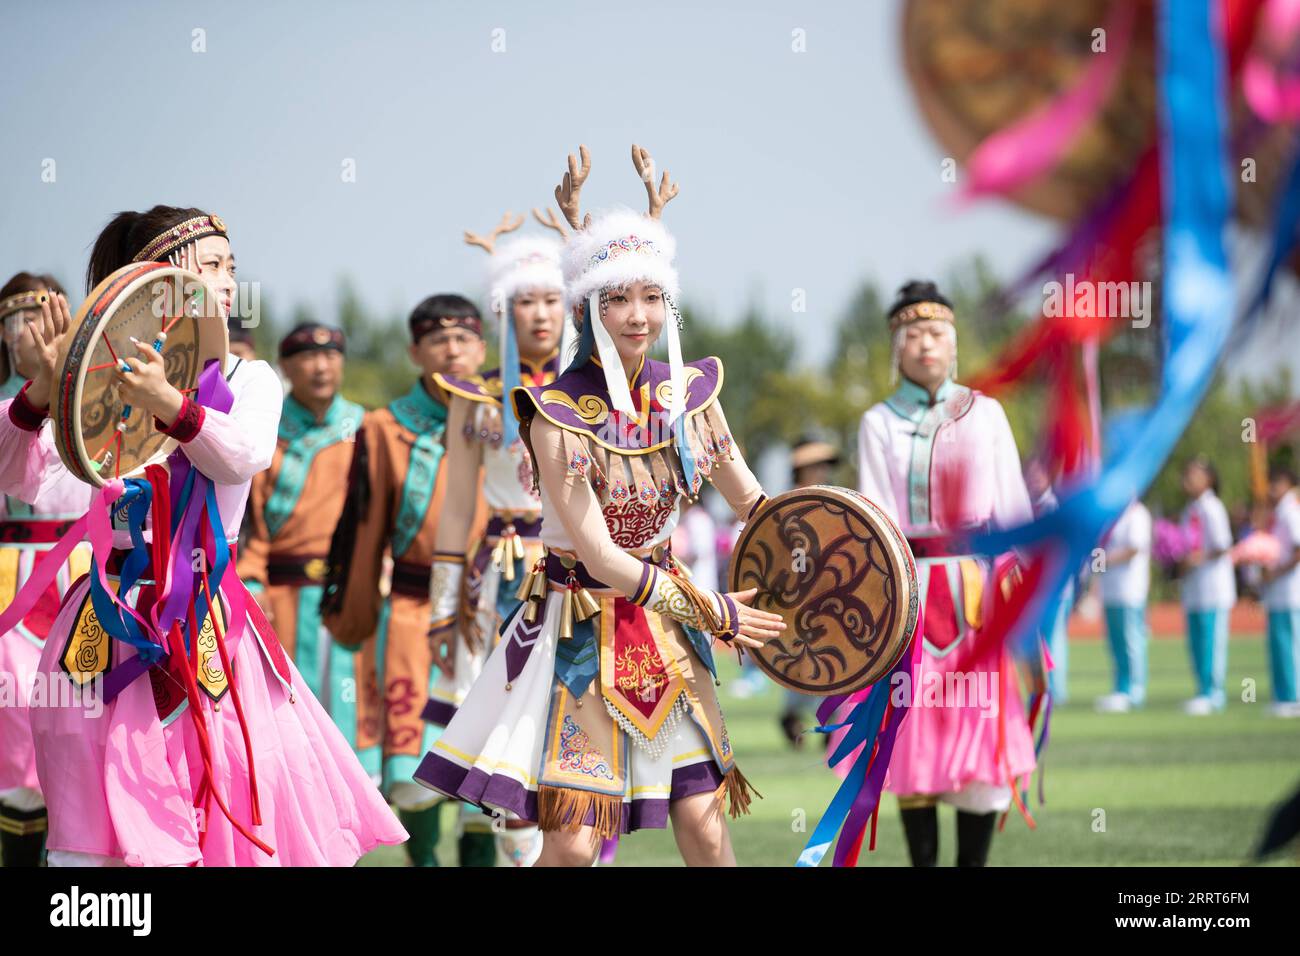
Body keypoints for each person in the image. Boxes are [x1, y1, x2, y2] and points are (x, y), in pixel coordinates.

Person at [413, 144, 786, 866]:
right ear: (589, 305)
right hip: (578, 626)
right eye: (618, 297)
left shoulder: (693, 397)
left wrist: (825, 547)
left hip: (671, 633)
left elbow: (754, 500)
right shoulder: (556, 412)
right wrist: (714, 609)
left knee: (707, 827)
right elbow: (598, 556)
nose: (637, 315)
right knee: (575, 846)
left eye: (651, 296)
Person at [0, 205, 405, 865]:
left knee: (233, 797)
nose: (227, 280)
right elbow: (24, 480)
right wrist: (41, 396)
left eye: (231, 266)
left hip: (208, 624)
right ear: (158, 280)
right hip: (105, 622)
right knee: (95, 816)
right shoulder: (95, 391)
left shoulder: (246, 379)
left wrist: (172, 405)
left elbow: (241, 454)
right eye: (212, 266)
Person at [857, 280, 1036, 867]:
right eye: (912, 334)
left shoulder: (985, 413)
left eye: (936, 332)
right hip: (908, 594)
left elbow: (1013, 509)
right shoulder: (878, 422)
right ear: (896, 347)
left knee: (981, 731)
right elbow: (873, 519)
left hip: (979, 595)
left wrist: (1025, 595)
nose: (924, 344)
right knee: (911, 741)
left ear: (953, 341)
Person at [321, 293, 488, 866]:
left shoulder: (509, 415)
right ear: (415, 350)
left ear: (483, 346)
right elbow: (364, 531)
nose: (453, 349)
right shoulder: (385, 426)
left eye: (465, 337)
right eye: (438, 338)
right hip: (414, 612)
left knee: (492, 772)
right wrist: (356, 612)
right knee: (417, 767)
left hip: (497, 609)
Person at [422, 212, 568, 866]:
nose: (540, 313)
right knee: (511, 746)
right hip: (507, 577)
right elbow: (456, 510)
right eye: (525, 300)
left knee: (585, 742)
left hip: (591, 576)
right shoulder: (475, 398)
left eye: (553, 299)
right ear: (504, 309)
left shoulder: (598, 390)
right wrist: (443, 605)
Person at [237, 323, 371, 759]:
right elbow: (249, 523)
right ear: (286, 367)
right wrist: (251, 581)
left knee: (353, 711)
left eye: (331, 355)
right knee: (284, 721)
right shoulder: (263, 432)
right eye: (307, 358)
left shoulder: (366, 428)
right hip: (280, 595)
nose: (320, 367)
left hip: (348, 593)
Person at [0, 273, 94, 867]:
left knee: (83, 731)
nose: (29, 332)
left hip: (85, 576)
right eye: (14, 321)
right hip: (11, 584)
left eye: (43, 316)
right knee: (14, 737)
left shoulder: (97, 406)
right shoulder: (8, 411)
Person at [776, 437, 841, 747]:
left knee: (834, 664)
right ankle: (794, 716)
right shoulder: (790, 507)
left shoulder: (834, 503)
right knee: (801, 665)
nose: (822, 472)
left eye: (824, 467)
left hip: (831, 598)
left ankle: (830, 722)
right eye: (816, 466)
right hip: (799, 600)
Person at [1178, 456, 1236, 715]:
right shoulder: (1189, 509)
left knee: (1212, 641)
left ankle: (1214, 692)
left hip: (1212, 587)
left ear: (1209, 479)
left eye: (1194, 474)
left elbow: (1222, 545)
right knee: (1197, 642)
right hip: (1194, 586)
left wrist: (1196, 558)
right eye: (1186, 474)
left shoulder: (1213, 507)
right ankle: (1201, 689)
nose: (1187, 480)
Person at [1096, 498, 1152, 712]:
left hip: (1130, 587)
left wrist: (1103, 561)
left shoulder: (1137, 513)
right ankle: (1121, 688)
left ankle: (1134, 690)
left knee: (1131, 639)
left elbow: (1133, 548)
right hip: (1110, 588)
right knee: (1115, 641)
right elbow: (1099, 546)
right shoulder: (1111, 513)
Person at [1259, 461, 1300, 717]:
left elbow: (1298, 549)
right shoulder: (1276, 513)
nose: (1271, 489)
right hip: (1277, 590)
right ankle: (1282, 694)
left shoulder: (1291, 511)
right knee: (1277, 644)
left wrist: (1276, 571)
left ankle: (1293, 696)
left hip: (1290, 589)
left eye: (1276, 484)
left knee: (1290, 644)